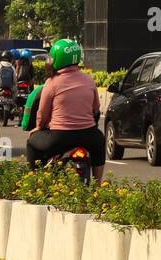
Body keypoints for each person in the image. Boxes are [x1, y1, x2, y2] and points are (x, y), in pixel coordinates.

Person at [25, 39, 105, 179]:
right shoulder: (89, 80)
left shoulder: (52, 83)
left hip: (59, 137)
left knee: (32, 143)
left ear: (57, 59)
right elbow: (96, 109)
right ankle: (98, 185)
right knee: (100, 143)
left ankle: (34, 181)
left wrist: (38, 127)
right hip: (88, 135)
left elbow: (42, 114)